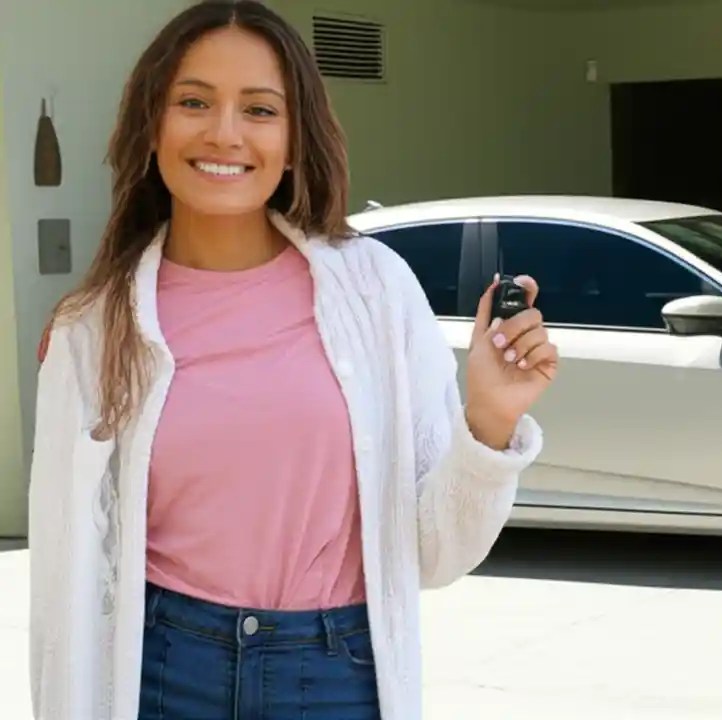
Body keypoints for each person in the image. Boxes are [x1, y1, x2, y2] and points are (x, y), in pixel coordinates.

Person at [27, 1, 557, 718]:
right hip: (160, 669)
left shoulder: (376, 291)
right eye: (193, 101)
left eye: (259, 110)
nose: (224, 133)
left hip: (337, 674)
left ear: (295, 139)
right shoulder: (94, 328)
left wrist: (490, 420)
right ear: (151, 124)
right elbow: (66, 582)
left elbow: (435, 555)